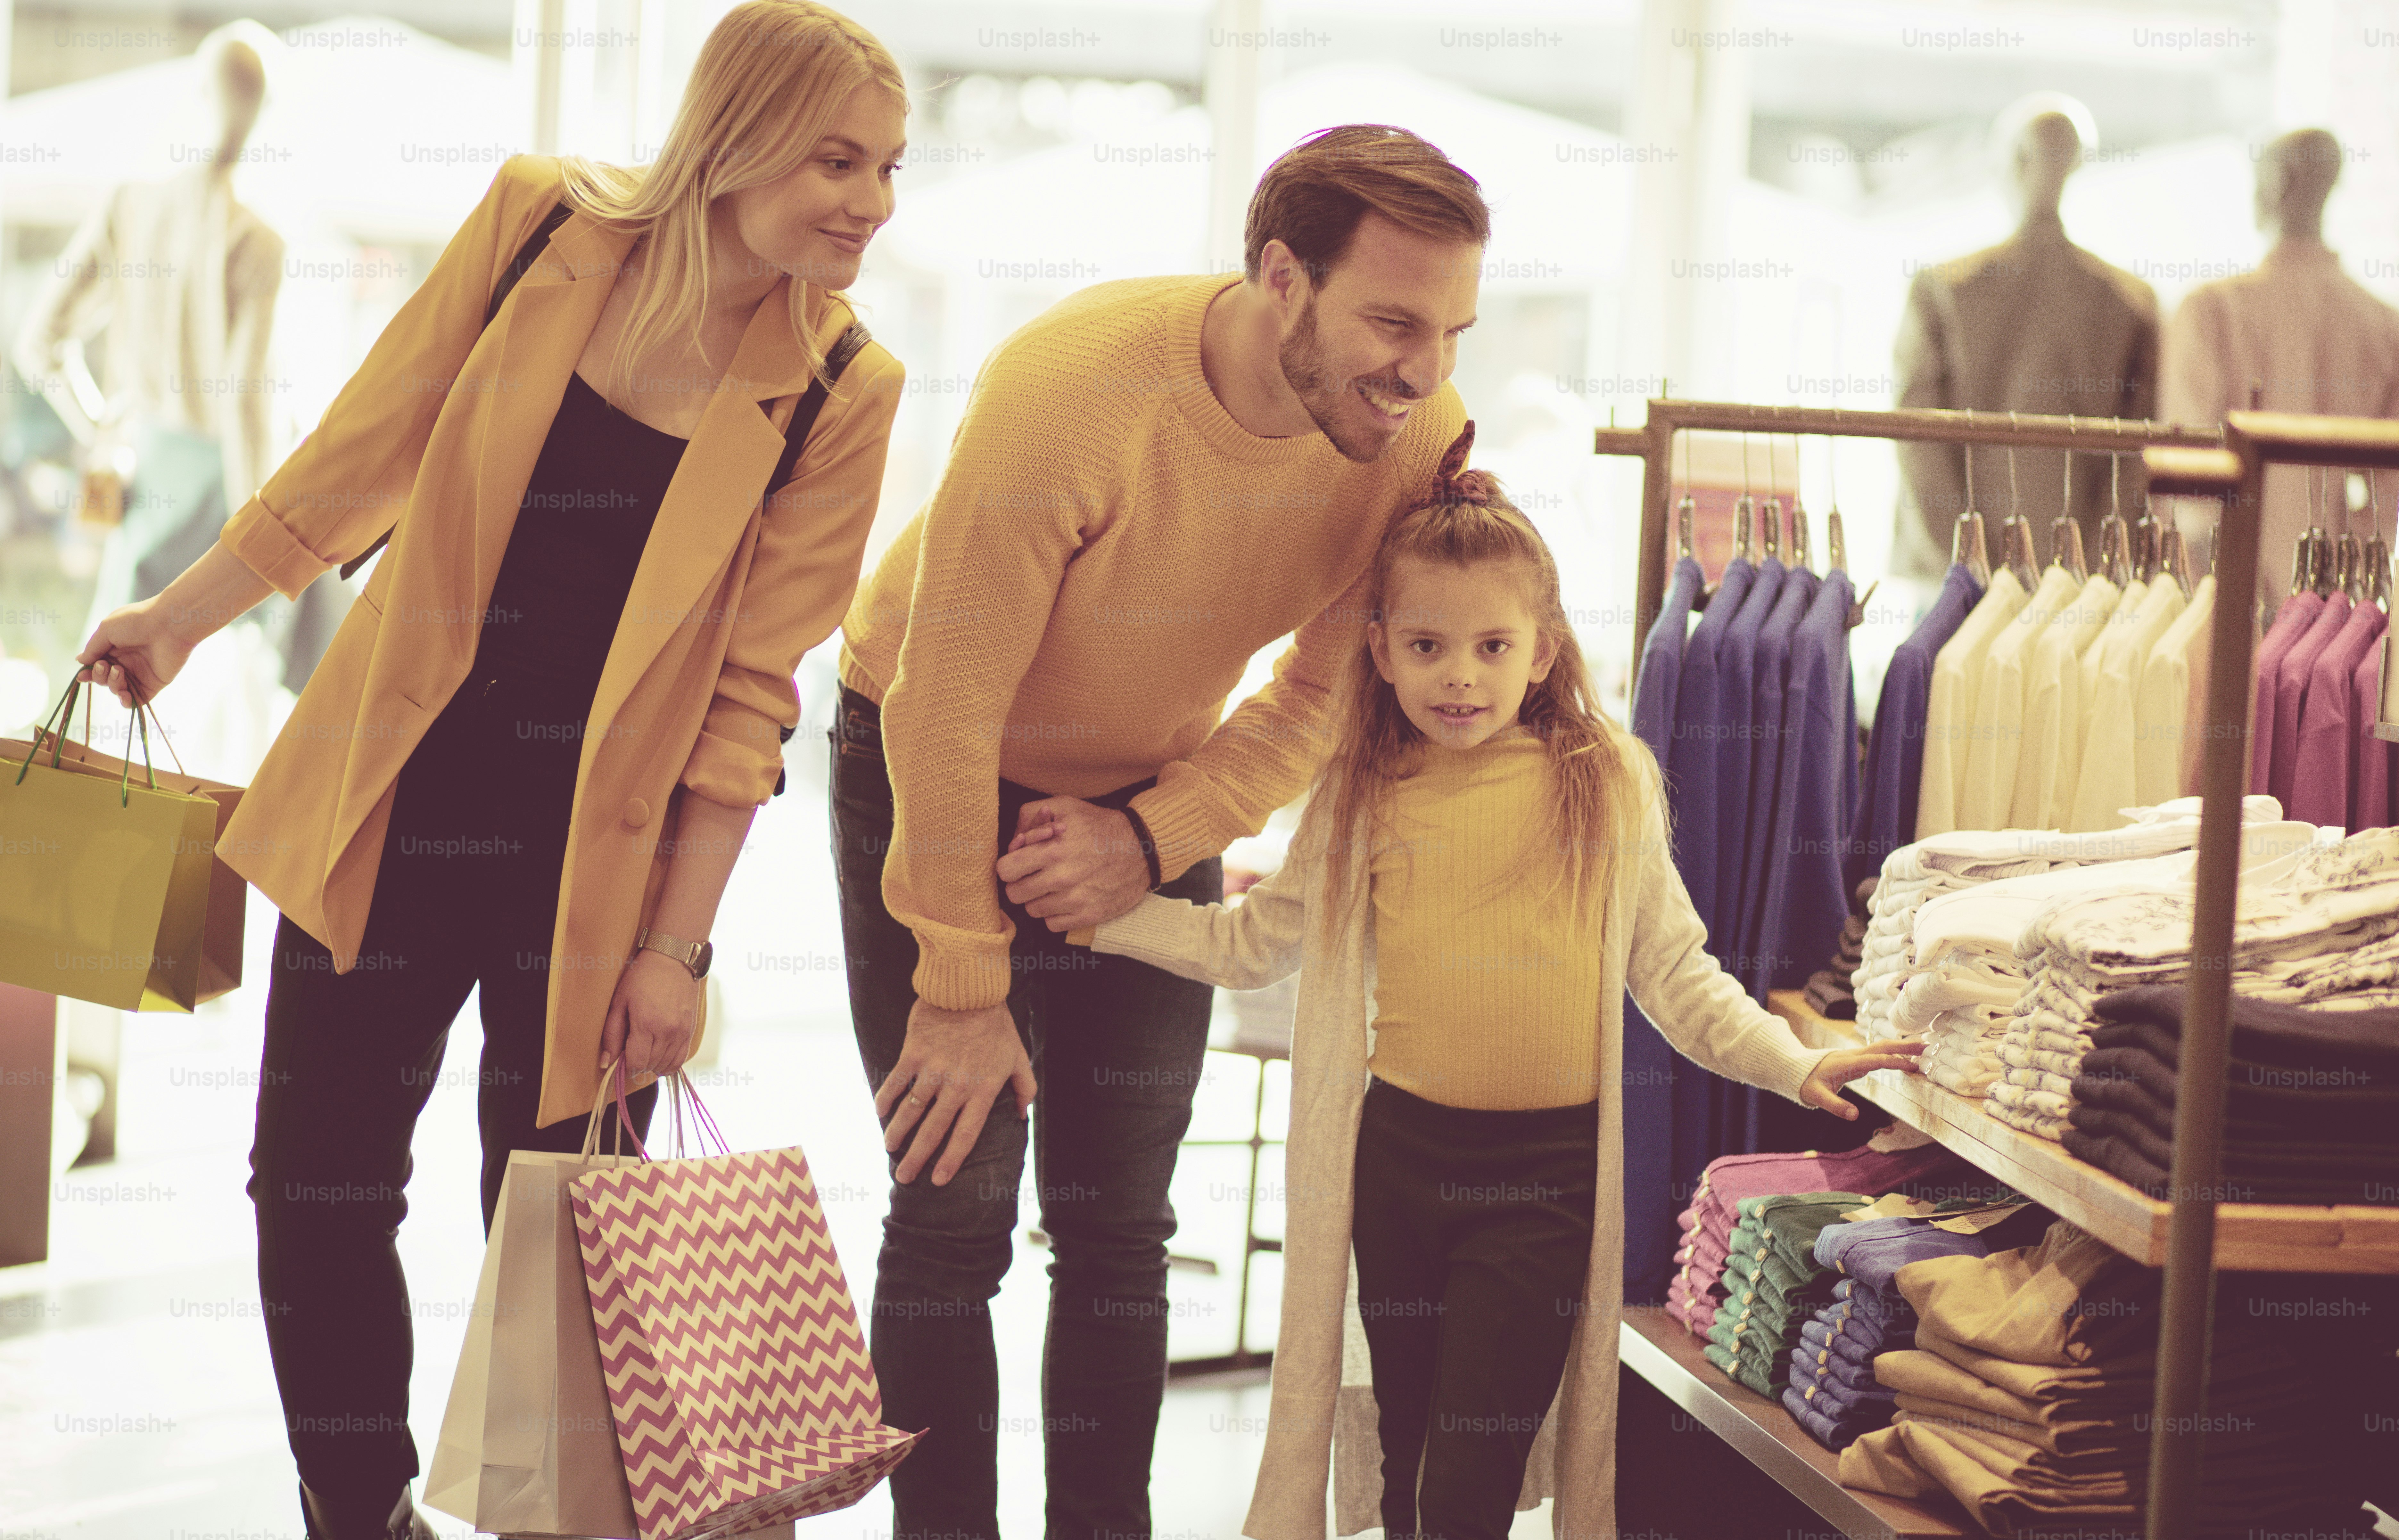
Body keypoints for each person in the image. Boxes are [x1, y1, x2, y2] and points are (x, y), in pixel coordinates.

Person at [71, 5, 908, 1536]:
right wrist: (183, 620)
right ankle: (360, 1506)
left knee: (559, 1232)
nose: (872, 202)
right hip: (391, 797)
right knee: (313, 1184)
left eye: (890, 169)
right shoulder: (542, 225)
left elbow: (747, 698)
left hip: (603, 865)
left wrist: (678, 947)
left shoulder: (845, 387)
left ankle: (554, 1515)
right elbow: (360, 451)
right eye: (838, 159)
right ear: (734, 135)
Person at [1037, 437, 1922, 1540]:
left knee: (1469, 1483)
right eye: (1427, 646)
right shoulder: (1363, 792)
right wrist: (1104, 913)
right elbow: (1250, 946)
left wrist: (1800, 1062)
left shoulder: (1606, 786)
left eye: (1491, 645)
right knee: (1410, 1457)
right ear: (1382, 653)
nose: (1460, 674)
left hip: (1546, 1184)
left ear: (1543, 650)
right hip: (1399, 1167)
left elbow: (1675, 973)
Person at [830, 123, 1481, 1536]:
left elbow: (1327, 687)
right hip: (931, 757)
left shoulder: (1410, 433)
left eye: (1449, 330)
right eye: (1391, 321)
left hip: (1146, 790)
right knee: (954, 1213)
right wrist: (960, 980)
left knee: (1119, 1226)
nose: (1424, 369)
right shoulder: (1074, 386)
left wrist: (1154, 830)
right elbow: (945, 701)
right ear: (1281, 278)